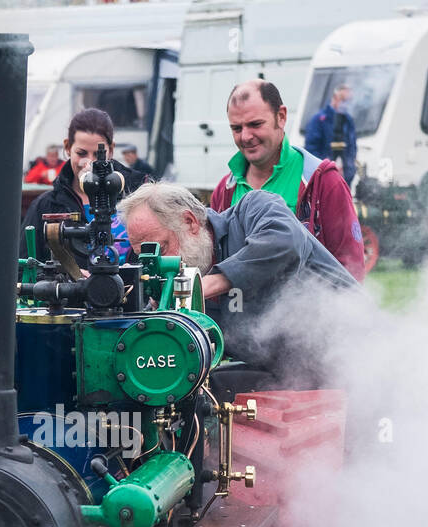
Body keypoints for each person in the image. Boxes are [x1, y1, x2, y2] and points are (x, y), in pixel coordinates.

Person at [119, 181, 358, 390]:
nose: (159, 265)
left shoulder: (255, 207)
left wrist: (206, 285)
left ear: (190, 222)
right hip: (287, 376)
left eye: (161, 248)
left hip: (352, 361)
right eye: (146, 256)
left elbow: (286, 242)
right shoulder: (176, 280)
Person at [212, 79, 365, 282]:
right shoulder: (224, 191)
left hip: (309, 311)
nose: (246, 136)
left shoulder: (323, 181)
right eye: (236, 128)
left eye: (255, 124)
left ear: (281, 117)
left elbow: (351, 267)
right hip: (239, 314)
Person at [20, 108, 148, 268]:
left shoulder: (141, 193)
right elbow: (22, 269)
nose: (89, 163)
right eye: (82, 153)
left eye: (98, 154)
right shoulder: (44, 205)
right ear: (67, 147)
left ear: (112, 149)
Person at [304, 84, 357, 185]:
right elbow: (311, 150)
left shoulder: (348, 120)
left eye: (349, 101)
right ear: (335, 98)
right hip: (323, 178)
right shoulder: (318, 120)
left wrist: (349, 171)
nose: (346, 105)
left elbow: (352, 148)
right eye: (344, 100)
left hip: (344, 180)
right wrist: (328, 169)